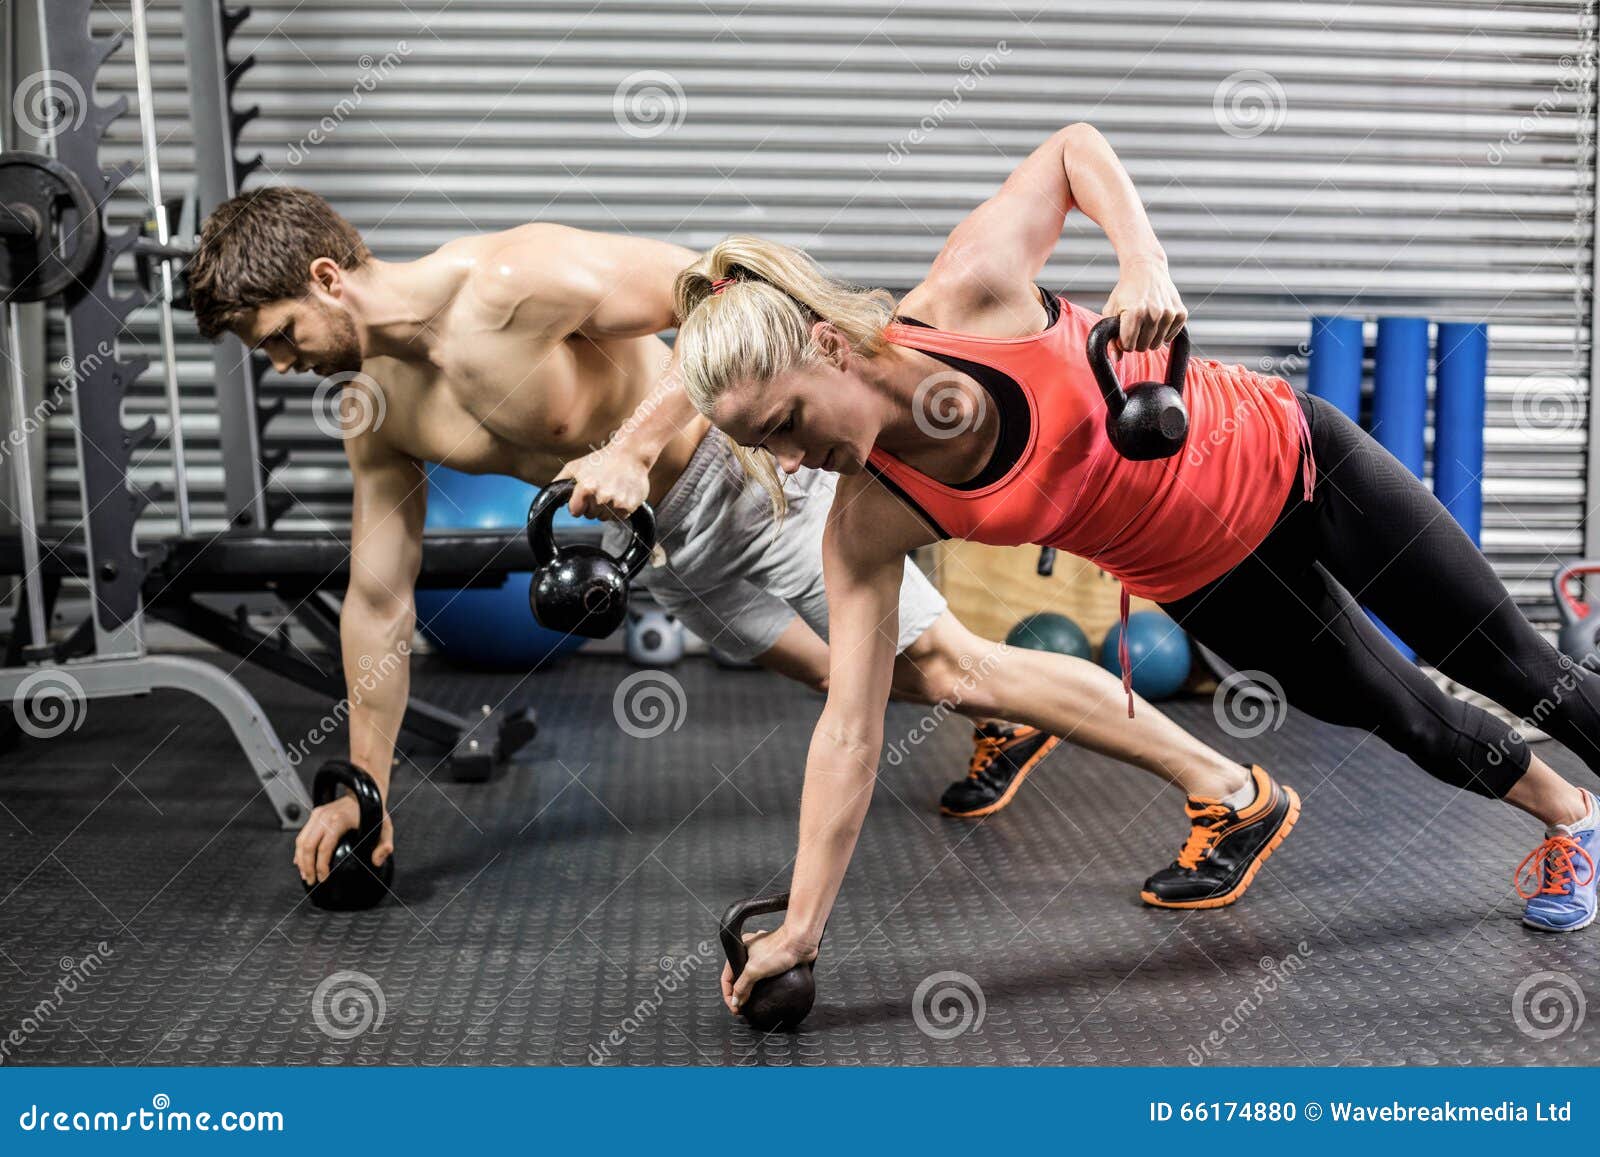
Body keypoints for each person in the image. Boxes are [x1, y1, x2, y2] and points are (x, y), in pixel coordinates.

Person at [668, 121, 1600, 1014]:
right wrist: (801, 928)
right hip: (1210, 584)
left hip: (1298, 467)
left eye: (787, 423)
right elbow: (848, 731)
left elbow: (1072, 149)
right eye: (764, 447)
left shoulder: (970, 294)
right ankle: (1570, 815)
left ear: (828, 346)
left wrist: (1142, 261)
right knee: (1409, 716)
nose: (792, 460)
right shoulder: (865, 523)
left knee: (1520, 668)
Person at [184, 187, 1266, 890]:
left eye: (278, 337)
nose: (283, 363)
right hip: (667, 552)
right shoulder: (375, 412)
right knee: (858, 678)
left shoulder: (510, 281)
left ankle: (1230, 788)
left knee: (941, 661)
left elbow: (728, 293)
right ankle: (1005, 721)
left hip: (749, 478)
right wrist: (362, 785)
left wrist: (628, 444)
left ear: (325, 278)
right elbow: (380, 599)